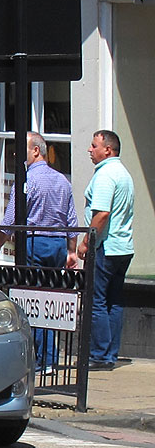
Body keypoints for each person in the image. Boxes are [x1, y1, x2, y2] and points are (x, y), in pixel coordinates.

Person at [0, 132, 77, 375]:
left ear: (36, 150)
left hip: (35, 243)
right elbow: (71, 219)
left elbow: (11, 219)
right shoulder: (62, 181)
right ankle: (50, 357)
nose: (17, 154)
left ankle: (42, 360)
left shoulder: (26, 180)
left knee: (32, 302)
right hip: (57, 244)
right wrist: (71, 251)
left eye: (21, 149)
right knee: (50, 300)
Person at [77, 129, 136, 370]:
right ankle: (109, 353)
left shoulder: (105, 175)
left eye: (94, 146)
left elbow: (101, 213)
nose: (90, 150)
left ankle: (100, 355)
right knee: (114, 300)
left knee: (97, 300)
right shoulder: (123, 173)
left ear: (107, 150)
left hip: (106, 246)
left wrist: (86, 242)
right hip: (123, 246)